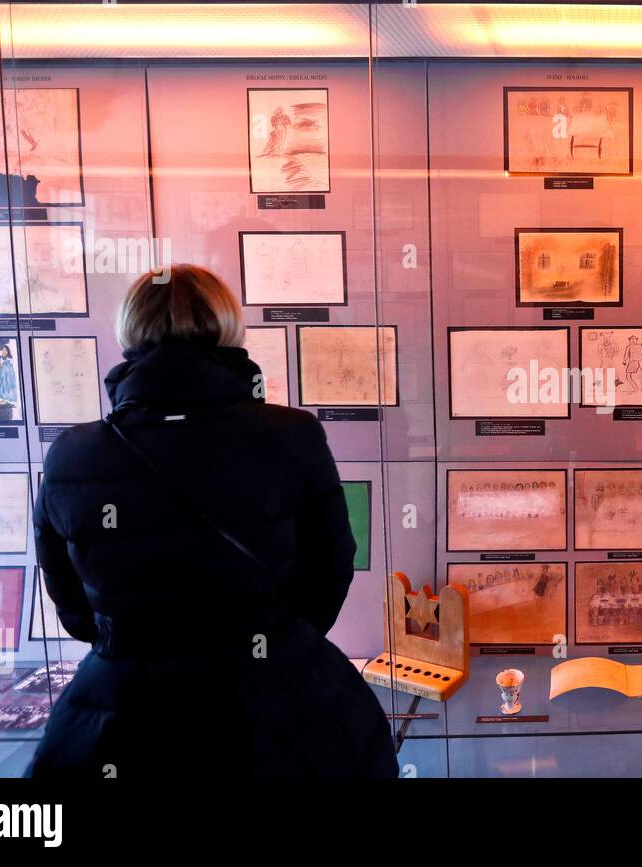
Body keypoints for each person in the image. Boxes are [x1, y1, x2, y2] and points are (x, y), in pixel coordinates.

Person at [28, 264, 397, 778]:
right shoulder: (290, 435)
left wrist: (133, 644)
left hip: (124, 707)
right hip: (277, 699)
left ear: (131, 331)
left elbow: (73, 605)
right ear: (226, 326)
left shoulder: (73, 453)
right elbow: (331, 568)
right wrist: (279, 639)